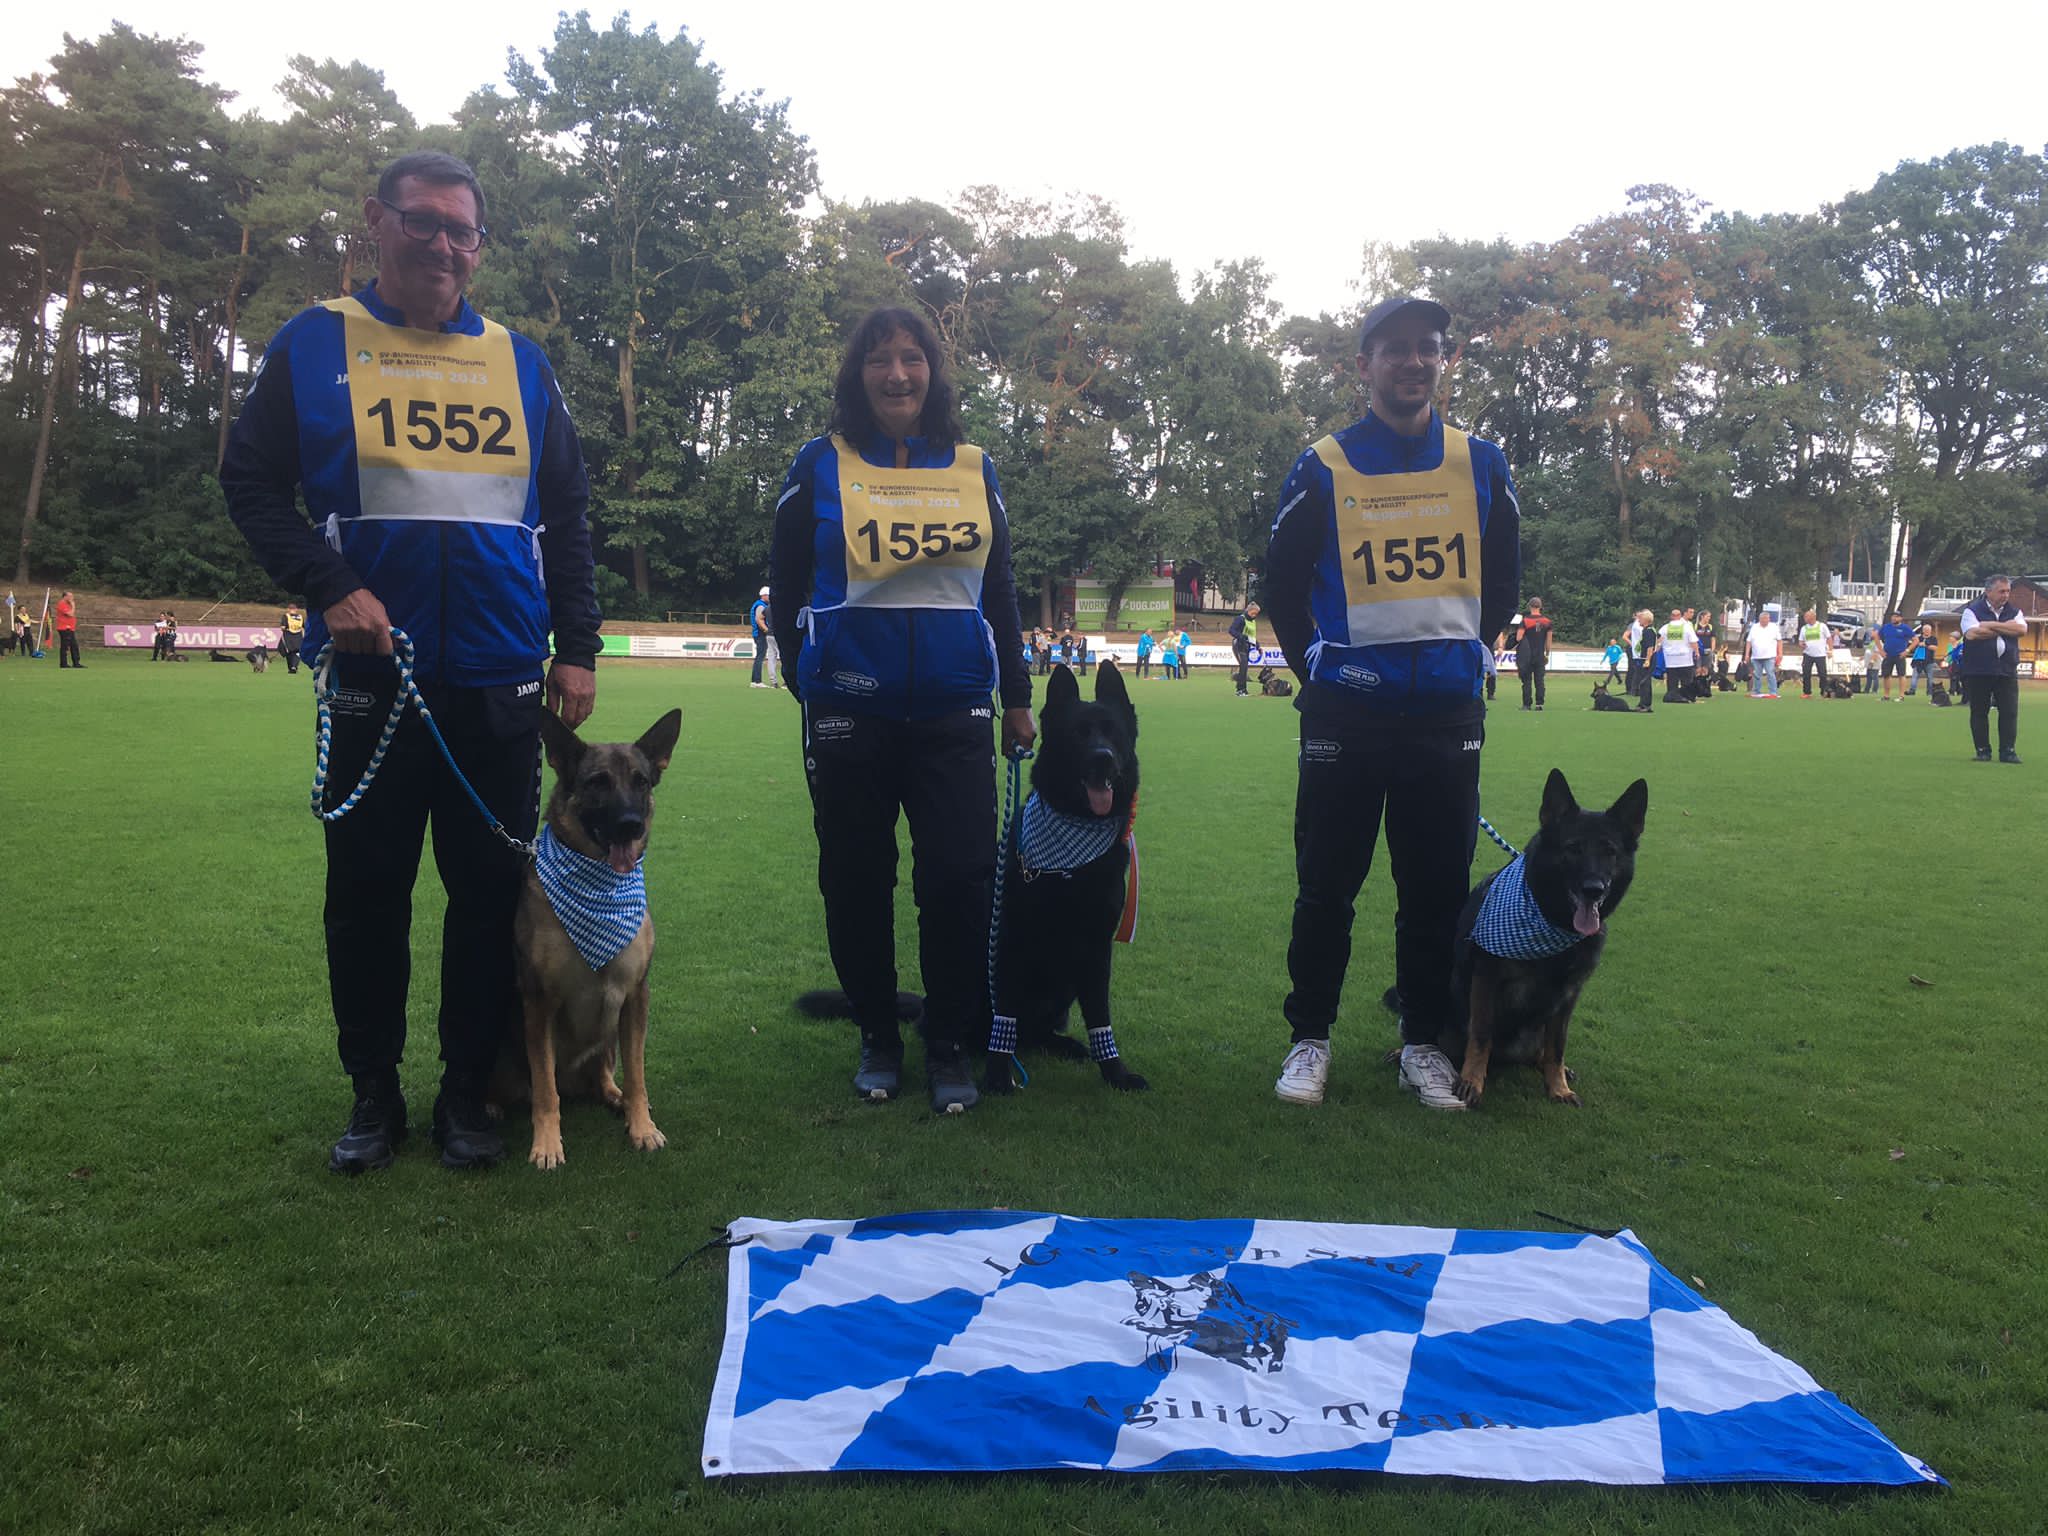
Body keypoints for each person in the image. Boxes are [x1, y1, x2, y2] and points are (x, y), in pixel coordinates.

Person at [222, 151, 602, 1174]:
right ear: (375, 222)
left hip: (499, 682)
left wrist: (577, 647)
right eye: (422, 222)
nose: (442, 245)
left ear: (478, 245)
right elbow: (250, 483)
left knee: (487, 901)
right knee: (368, 894)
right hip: (371, 679)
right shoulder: (313, 342)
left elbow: (565, 515)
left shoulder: (520, 361)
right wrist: (330, 586)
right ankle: (373, 1095)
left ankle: (466, 1096)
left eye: (461, 230)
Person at [767, 305, 1034, 1114]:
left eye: (912, 359)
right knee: (856, 879)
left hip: (956, 711)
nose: (897, 374)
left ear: (934, 372)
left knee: (957, 881)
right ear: (858, 374)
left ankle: (946, 1039)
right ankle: (879, 1034)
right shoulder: (819, 463)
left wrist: (1017, 695)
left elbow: (1000, 591)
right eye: (880, 360)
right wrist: (808, 680)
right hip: (849, 713)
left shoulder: (973, 466)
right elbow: (784, 584)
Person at [1262, 294, 1519, 1113]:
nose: (1413, 361)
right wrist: (1316, 668)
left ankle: (1421, 1046)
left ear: (1445, 361)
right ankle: (1310, 1040)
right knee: (1326, 887)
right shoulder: (1325, 462)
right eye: (1396, 349)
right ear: (1363, 365)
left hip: (1445, 715)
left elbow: (1503, 578)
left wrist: (1475, 652)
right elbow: (1280, 581)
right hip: (1346, 713)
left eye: (1428, 348)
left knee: (1436, 891)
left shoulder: (1481, 462)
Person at [1958, 575, 2024, 763]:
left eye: (2008, 591)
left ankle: (2008, 751)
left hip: (2007, 669)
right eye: (2001, 591)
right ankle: (1982, 750)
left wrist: (1990, 625)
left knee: (2009, 711)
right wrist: (2006, 627)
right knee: (1979, 711)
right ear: (1988, 592)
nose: (2006, 595)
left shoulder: (2014, 611)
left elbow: (2021, 630)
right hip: (1979, 669)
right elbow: (1972, 634)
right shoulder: (1972, 611)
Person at [1502, 596, 1551, 710]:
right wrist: (1547, 653)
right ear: (1540, 607)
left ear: (1530, 606)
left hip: (1526, 655)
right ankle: (1539, 704)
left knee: (1526, 681)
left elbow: (1519, 638)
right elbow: (1548, 641)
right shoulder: (1547, 622)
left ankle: (1526, 704)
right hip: (1539, 655)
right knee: (1539, 681)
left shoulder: (1525, 621)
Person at [1660, 608, 1697, 700]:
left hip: (1670, 659)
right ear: (1680, 616)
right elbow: (1693, 641)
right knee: (1686, 680)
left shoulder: (1665, 628)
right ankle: (1686, 696)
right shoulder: (1687, 627)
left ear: (1671, 616)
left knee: (1672, 680)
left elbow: (1658, 641)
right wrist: (1697, 651)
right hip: (1685, 659)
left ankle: (1672, 696)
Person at [1876, 609, 1913, 701]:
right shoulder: (1886, 627)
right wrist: (1881, 650)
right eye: (1893, 616)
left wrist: (1907, 651)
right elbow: (1877, 637)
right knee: (1886, 675)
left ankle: (1901, 696)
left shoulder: (1905, 628)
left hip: (1900, 654)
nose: (1894, 618)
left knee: (1901, 675)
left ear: (1900, 618)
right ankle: (1886, 695)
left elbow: (1915, 640)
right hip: (1888, 654)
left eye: (1896, 616)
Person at [1745, 608, 1781, 698]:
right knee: (1756, 674)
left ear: (1769, 619)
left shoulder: (1774, 627)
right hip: (1756, 656)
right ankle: (1756, 691)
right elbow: (1749, 641)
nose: (1765, 620)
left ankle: (1773, 692)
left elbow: (1779, 641)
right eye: (1763, 619)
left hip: (1770, 656)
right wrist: (1746, 654)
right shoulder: (1754, 627)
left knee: (1770, 673)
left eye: (1767, 618)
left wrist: (1780, 654)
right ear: (1760, 619)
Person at [1796, 608, 1832, 699]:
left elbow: (1829, 638)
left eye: (1806, 616)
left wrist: (1830, 650)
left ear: (1812, 617)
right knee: (1806, 674)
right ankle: (1807, 692)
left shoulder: (1822, 626)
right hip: (1807, 654)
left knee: (1822, 674)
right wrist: (1802, 645)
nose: (1804, 618)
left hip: (1820, 654)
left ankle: (1823, 691)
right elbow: (1800, 641)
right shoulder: (1804, 628)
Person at [1229, 600, 1260, 697]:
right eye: (1253, 613)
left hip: (1246, 646)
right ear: (1249, 611)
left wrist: (1258, 646)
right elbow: (1231, 630)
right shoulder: (1240, 619)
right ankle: (1240, 690)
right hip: (1238, 644)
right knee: (1243, 667)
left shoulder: (1253, 621)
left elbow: (1252, 636)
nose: (1254, 615)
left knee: (1244, 668)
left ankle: (1243, 689)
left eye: (1256, 614)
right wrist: (1242, 636)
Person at [749, 586, 773, 688]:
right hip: (760, 634)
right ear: (764, 595)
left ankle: (755, 681)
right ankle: (757, 681)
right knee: (760, 657)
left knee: (759, 656)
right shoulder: (761, 606)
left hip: (758, 633)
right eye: (768, 595)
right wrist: (766, 630)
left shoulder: (759, 604)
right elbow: (759, 620)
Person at [54, 591, 82, 668]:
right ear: (65, 596)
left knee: (74, 645)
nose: (72, 598)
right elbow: (70, 614)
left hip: (70, 628)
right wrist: (73, 606)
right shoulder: (62, 603)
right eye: (70, 596)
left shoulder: (68, 604)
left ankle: (76, 662)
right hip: (64, 628)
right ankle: (63, 663)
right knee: (65, 646)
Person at [278, 603, 307, 673]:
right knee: (297, 652)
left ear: (288, 609)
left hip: (288, 636)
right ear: (296, 609)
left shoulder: (286, 616)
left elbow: (283, 627)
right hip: (298, 636)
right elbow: (303, 628)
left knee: (289, 652)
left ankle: (291, 667)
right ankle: (294, 667)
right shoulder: (300, 617)